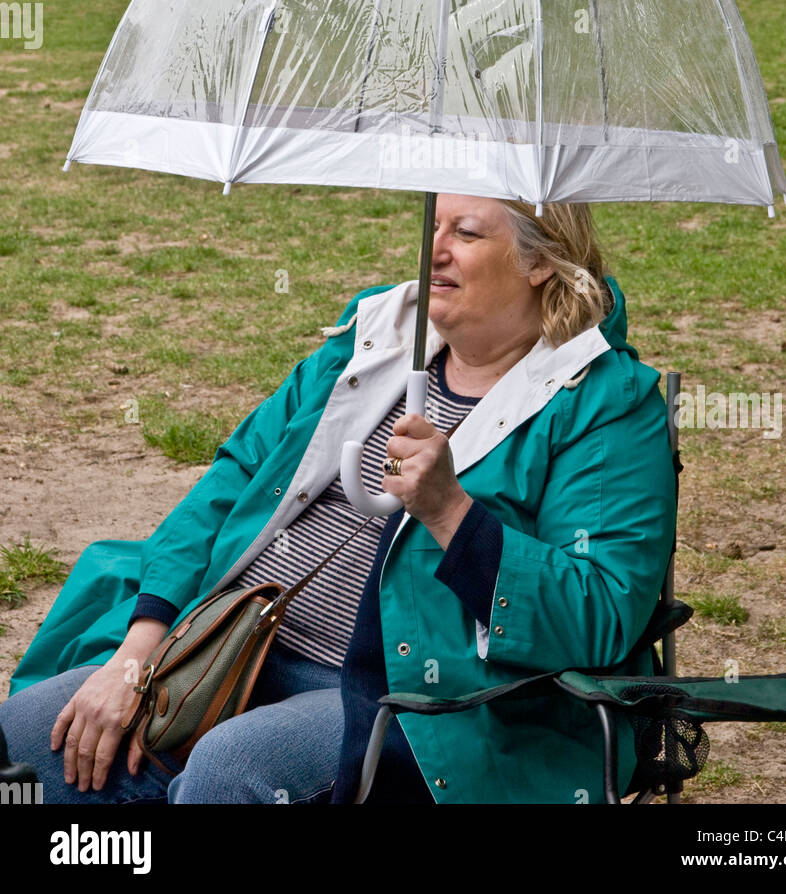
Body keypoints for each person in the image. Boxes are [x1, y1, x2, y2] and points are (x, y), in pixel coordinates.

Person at [0, 194, 677, 805]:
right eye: (431, 223)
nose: (432, 248)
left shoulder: (602, 402)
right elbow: (230, 483)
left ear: (540, 263)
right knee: (23, 738)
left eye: (465, 233)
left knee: (230, 771)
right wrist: (137, 653)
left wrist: (451, 513)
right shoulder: (376, 337)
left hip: (421, 699)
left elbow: (601, 612)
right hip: (233, 650)